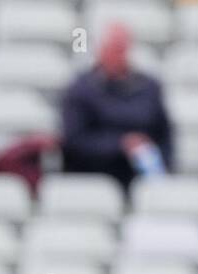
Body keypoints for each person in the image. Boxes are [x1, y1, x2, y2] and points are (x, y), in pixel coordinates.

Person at [61, 22, 173, 188]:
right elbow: (73, 141)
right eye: (112, 48)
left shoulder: (149, 87)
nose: (116, 55)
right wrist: (120, 144)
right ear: (100, 49)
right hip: (92, 176)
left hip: (141, 177)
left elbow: (165, 134)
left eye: (121, 49)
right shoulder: (81, 89)